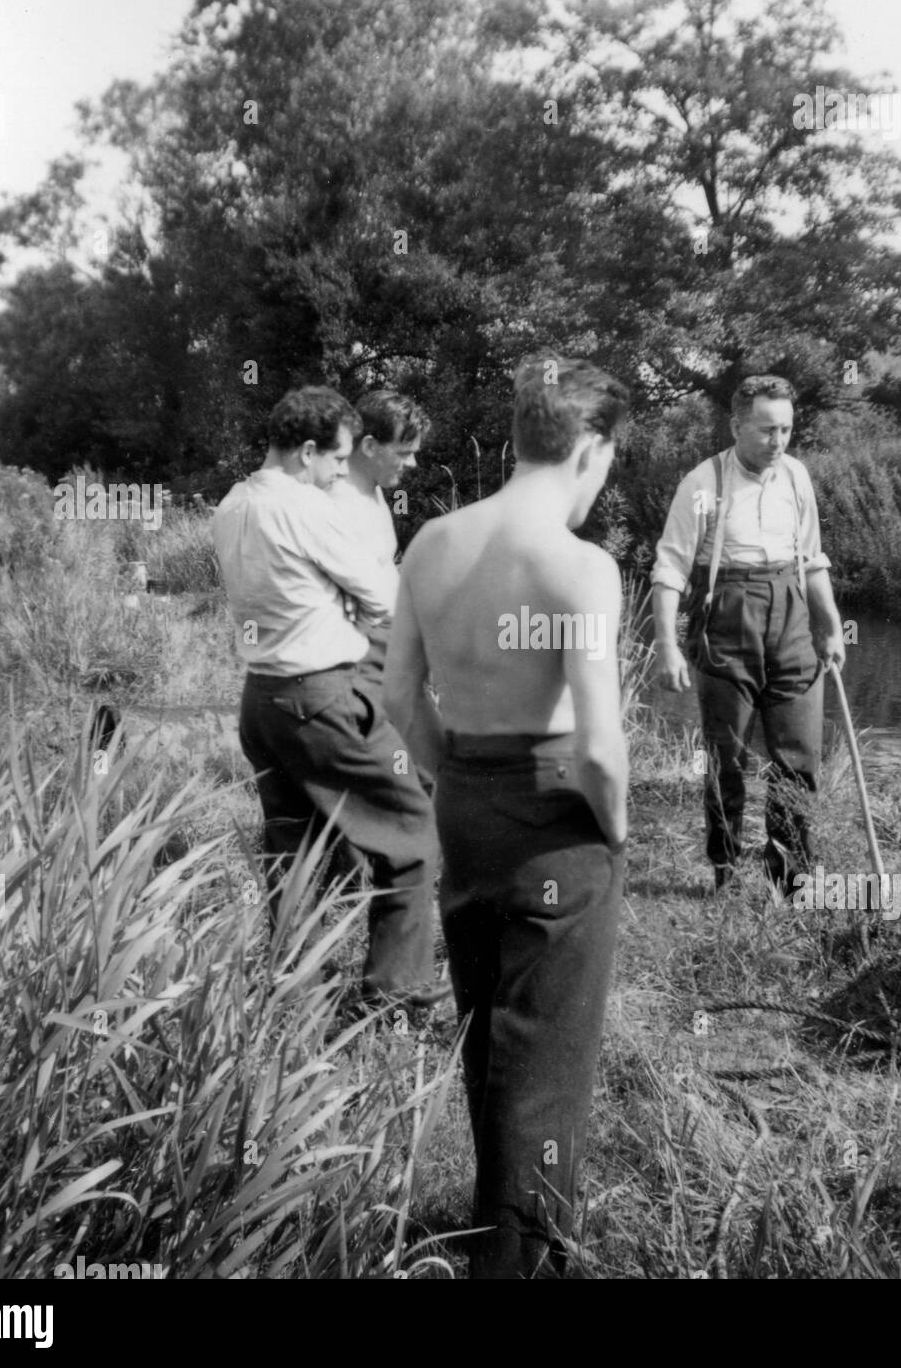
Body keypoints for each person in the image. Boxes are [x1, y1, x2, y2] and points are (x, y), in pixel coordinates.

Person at [385, 353, 630, 1278]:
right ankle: (521, 1260)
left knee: (488, 1028)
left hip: (466, 802)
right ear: (591, 447)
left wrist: (459, 774)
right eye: (607, 462)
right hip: (554, 811)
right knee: (548, 1060)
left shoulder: (432, 542)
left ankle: (499, 1223)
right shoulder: (579, 567)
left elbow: (399, 692)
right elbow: (602, 747)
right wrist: (614, 831)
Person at [211, 386, 445, 1010]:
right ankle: (398, 993)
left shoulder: (232, 502)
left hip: (262, 699)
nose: (341, 474)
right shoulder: (305, 507)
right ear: (306, 451)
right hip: (321, 696)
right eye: (336, 461)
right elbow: (385, 598)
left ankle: (290, 995)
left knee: (293, 849)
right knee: (412, 827)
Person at [650, 374, 845, 893]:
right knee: (726, 760)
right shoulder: (702, 483)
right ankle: (726, 874)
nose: (777, 441)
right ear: (736, 425)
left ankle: (791, 879)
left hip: (793, 620)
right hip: (728, 620)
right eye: (765, 430)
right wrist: (667, 644)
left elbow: (812, 559)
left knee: (799, 757)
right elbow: (669, 569)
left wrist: (829, 628)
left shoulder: (797, 476)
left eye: (785, 429)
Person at [327, 389, 429, 682]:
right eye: (404, 453)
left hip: (386, 655)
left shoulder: (372, 489)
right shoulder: (335, 503)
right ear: (370, 446)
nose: (412, 464)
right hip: (358, 666)